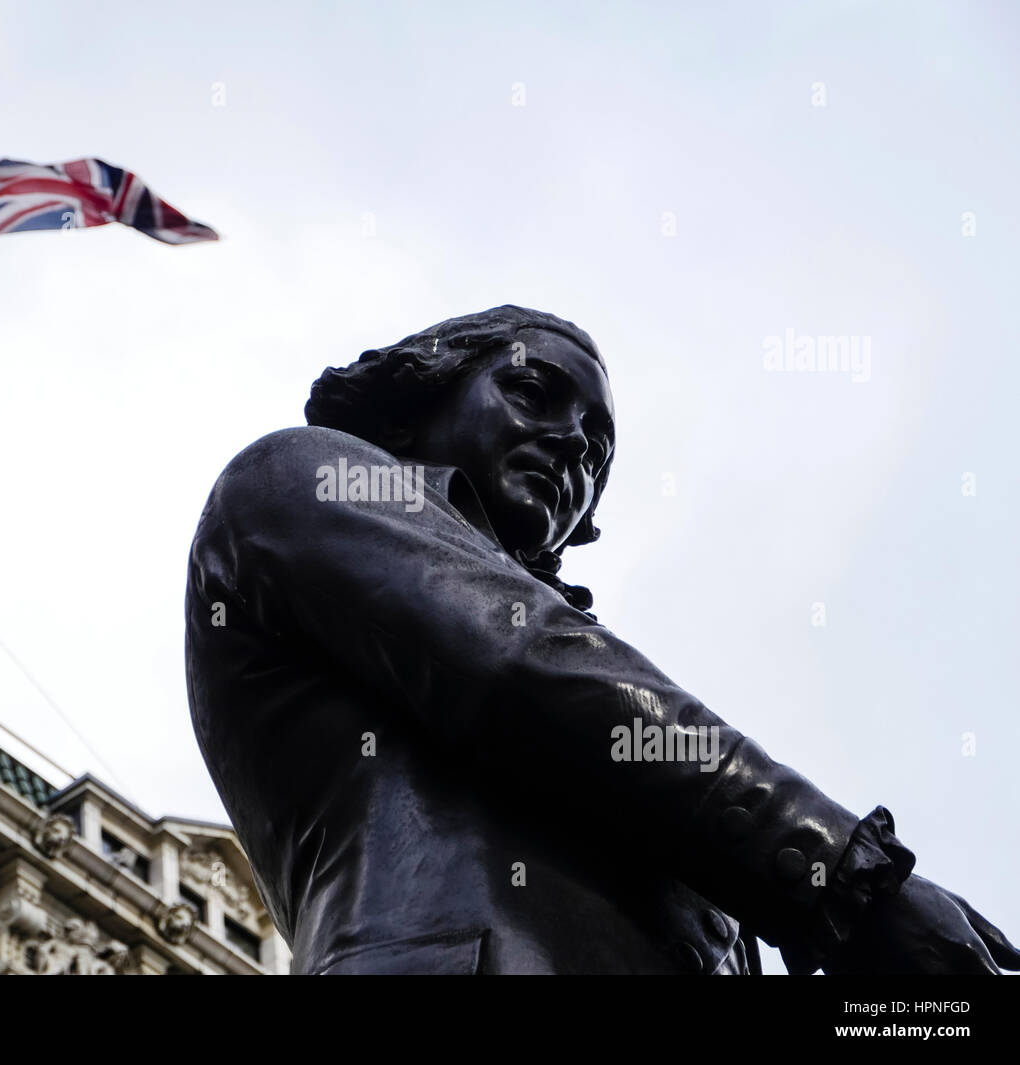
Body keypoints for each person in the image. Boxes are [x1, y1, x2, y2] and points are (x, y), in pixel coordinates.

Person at [184, 305, 1018, 974]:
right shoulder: (300, 477)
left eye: (598, 445)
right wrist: (844, 877)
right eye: (533, 393)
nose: (573, 442)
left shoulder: (650, 761)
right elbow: (521, 665)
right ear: (422, 395)